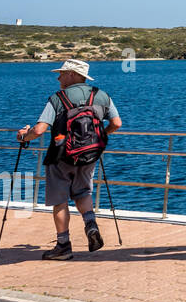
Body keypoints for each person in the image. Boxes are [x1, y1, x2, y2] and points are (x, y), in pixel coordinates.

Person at [17, 59, 122, 260]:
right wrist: (102, 136)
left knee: (60, 201)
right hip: (90, 155)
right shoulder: (100, 95)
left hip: (60, 157)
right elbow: (117, 123)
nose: (58, 77)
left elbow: (39, 130)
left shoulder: (57, 98)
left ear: (73, 74)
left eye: (62, 73)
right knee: (83, 192)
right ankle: (90, 225)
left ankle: (63, 246)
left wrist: (23, 136)